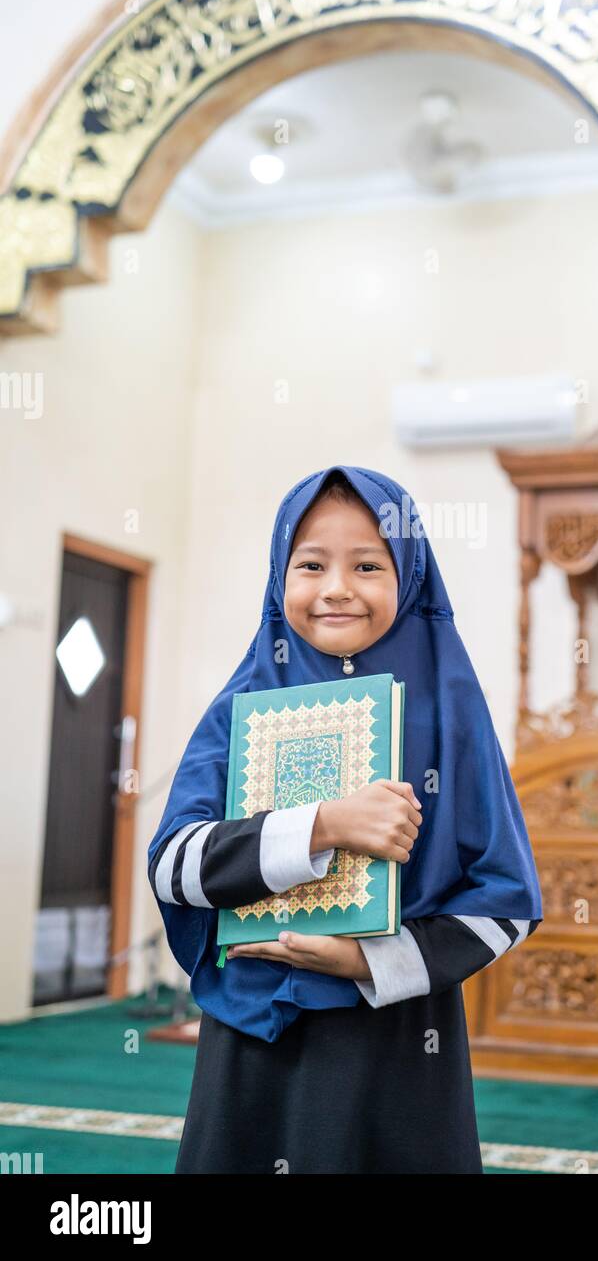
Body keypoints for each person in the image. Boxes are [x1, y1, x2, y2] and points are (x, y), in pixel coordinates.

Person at [147, 464, 543, 1174]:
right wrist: (323, 826)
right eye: (310, 565)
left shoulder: (450, 713)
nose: (336, 588)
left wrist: (364, 961)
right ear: (279, 574)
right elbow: (173, 867)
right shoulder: (239, 707)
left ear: (411, 576)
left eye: (367, 565)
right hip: (251, 1035)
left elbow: (506, 900)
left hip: (395, 1040)